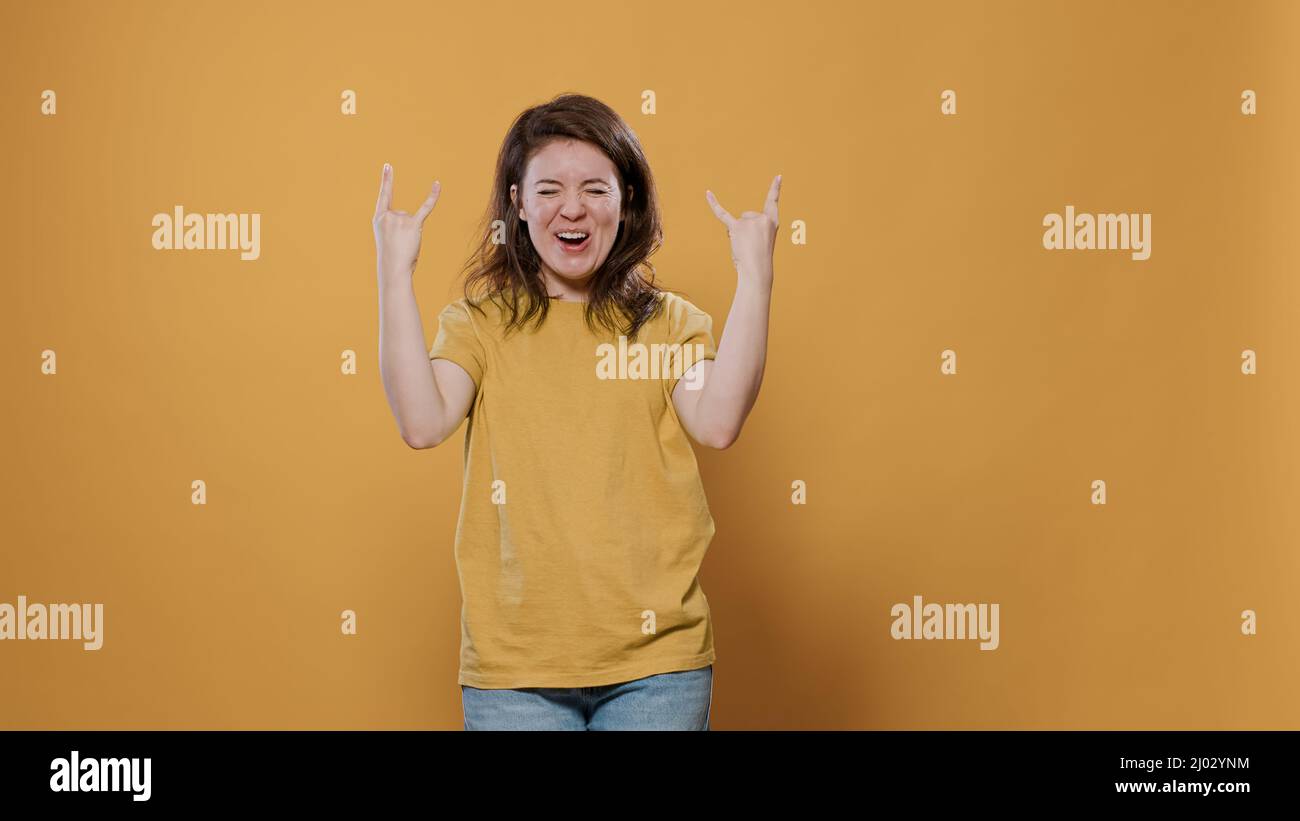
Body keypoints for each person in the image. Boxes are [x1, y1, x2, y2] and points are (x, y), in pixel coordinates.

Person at [374, 93, 778, 730]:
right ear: (518, 203)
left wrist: (755, 276)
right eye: (550, 189)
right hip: (515, 673)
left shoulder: (667, 325)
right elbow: (422, 422)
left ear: (627, 202)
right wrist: (394, 274)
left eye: (596, 188)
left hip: (657, 668)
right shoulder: (479, 326)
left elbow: (718, 421)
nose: (573, 208)